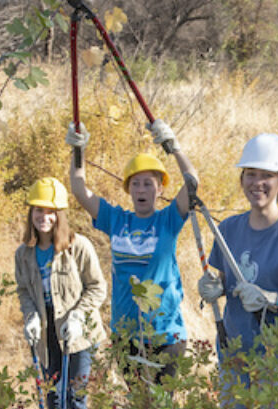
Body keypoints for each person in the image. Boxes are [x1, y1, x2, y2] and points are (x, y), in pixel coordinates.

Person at [64, 120, 197, 380]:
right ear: (128, 189)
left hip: (166, 335)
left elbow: (192, 182)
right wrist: (78, 151)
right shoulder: (117, 220)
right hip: (127, 335)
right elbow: (79, 188)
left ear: (160, 188)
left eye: (148, 183)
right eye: (135, 184)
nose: (141, 190)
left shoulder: (168, 220)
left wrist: (174, 147)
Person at [197, 133, 278, 367]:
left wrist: (273, 299)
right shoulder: (227, 229)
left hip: (277, 355)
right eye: (251, 174)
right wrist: (215, 288)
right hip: (233, 350)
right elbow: (226, 282)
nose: (257, 183)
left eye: (267, 176)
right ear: (242, 180)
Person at [15, 177, 107, 409]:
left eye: (50, 212)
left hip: (79, 334)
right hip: (46, 333)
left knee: (74, 396)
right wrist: (31, 317)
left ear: (60, 215)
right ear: (31, 212)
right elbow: (23, 290)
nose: (44, 217)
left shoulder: (78, 247)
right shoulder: (23, 253)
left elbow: (97, 288)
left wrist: (78, 317)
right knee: (53, 395)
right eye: (38, 210)